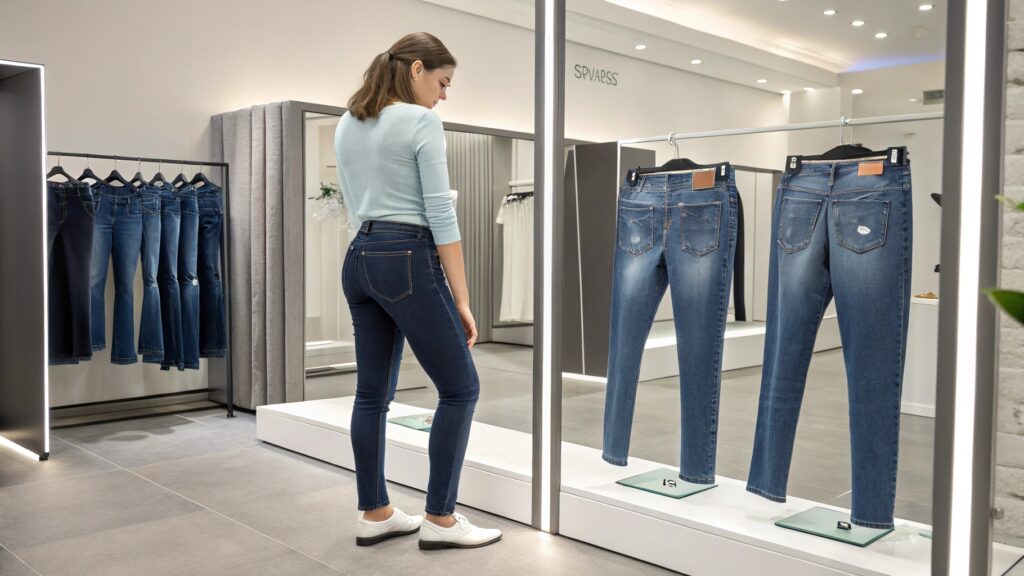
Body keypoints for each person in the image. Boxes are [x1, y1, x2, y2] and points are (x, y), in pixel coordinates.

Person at [335, 32, 501, 550]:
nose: (444, 95)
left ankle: (375, 511)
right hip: (406, 256)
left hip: (359, 257)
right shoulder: (421, 120)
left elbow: (355, 201)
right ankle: (441, 519)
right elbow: (440, 212)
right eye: (442, 81)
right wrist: (463, 298)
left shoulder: (349, 121)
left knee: (371, 396)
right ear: (415, 71)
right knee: (460, 388)